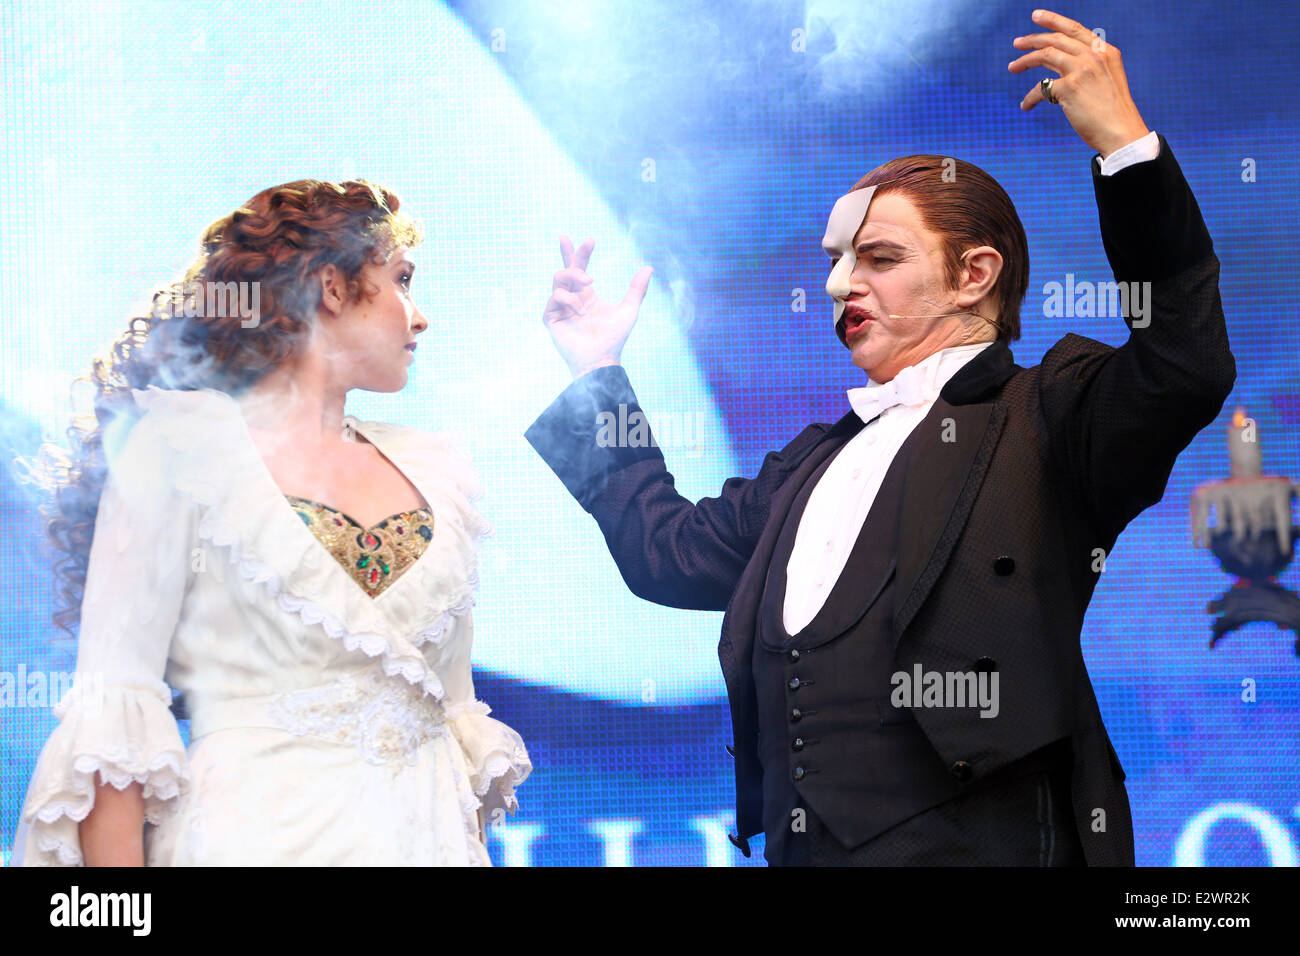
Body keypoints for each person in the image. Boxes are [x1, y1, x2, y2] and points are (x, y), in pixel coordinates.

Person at [524, 9, 1234, 865]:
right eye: (832, 260)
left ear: (976, 274)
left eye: (878, 258)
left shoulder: (1050, 415)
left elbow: (1183, 361)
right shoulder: (808, 466)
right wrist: (598, 373)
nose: (838, 284)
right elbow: (664, 552)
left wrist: (1124, 147)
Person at [11, 179, 530, 866]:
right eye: (402, 280)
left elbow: (455, 723)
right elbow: (114, 728)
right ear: (333, 287)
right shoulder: (177, 450)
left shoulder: (438, 473)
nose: (420, 316)